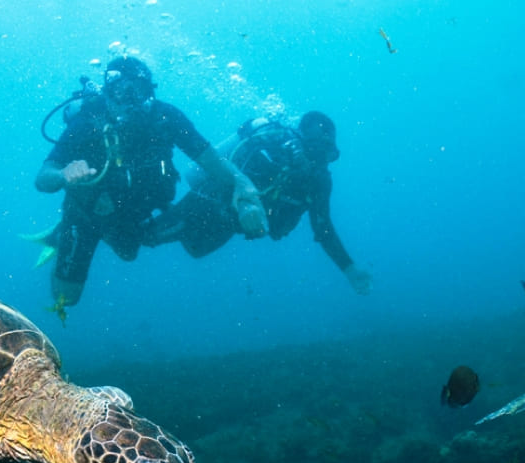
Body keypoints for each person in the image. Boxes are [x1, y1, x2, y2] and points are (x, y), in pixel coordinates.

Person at [34, 56, 266, 312]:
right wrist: (64, 173)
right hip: (86, 213)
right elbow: (43, 178)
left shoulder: (166, 118)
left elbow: (214, 162)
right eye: (121, 90)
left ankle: (98, 233)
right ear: (108, 92)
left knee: (128, 253)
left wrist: (244, 190)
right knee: (67, 297)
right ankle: (63, 232)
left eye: (138, 89)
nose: (130, 99)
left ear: (150, 90)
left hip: (131, 211)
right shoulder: (88, 121)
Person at [149, 111, 373, 295]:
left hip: (229, 227)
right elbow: (228, 171)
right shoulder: (268, 150)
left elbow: (323, 228)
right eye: (316, 150)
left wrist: (349, 269)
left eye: (328, 154)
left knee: (195, 250)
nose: (319, 161)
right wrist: (244, 201)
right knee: (139, 239)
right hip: (206, 204)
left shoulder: (319, 182)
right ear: (302, 140)